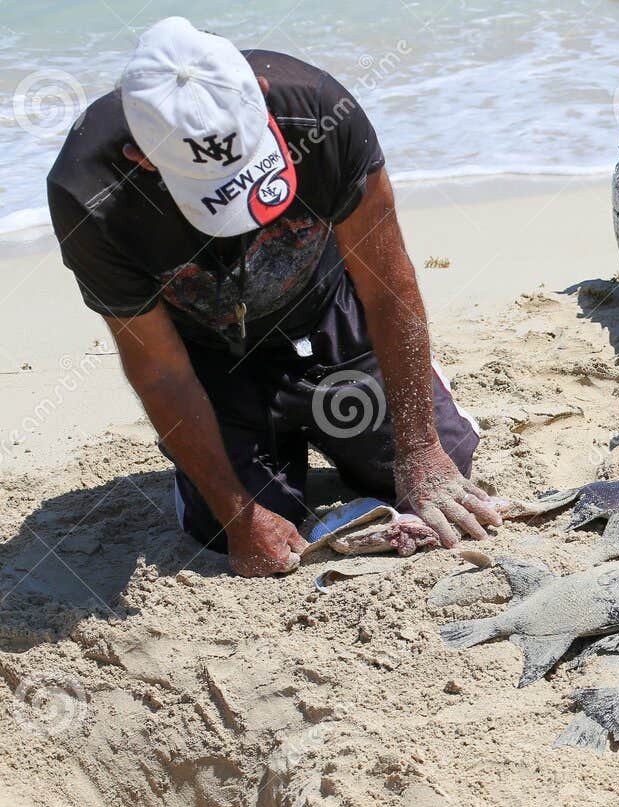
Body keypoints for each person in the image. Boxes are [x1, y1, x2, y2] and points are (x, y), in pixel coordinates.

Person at [47, 17, 500, 577]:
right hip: (210, 358)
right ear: (142, 156)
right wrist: (239, 517)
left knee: (437, 470)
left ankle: (405, 415)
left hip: (329, 316)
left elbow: (387, 284)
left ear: (260, 97)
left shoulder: (319, 110)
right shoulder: (91, 195)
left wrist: (418, 446)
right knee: (226, 531)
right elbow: (160, 370)